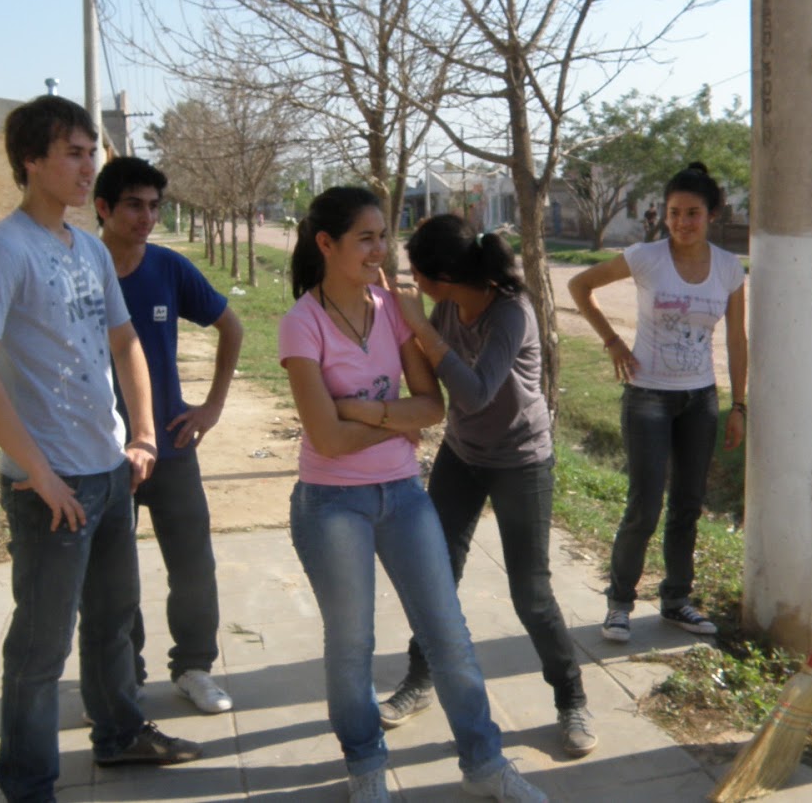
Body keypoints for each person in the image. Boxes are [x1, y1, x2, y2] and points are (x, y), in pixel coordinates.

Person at [0, 97, 201, 803]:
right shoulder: (5, 249)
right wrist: (40, 473)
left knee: (115, 620)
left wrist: (145, 433)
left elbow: (125, 344)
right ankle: (29, 784)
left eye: (91, 152)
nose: (87, 164)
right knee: (40, 647)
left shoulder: (87, 248)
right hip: (50, 487)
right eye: (73, 152)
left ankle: (121, 735)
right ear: (31, 161)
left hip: (108, 471)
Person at [278, 188, 546, 803]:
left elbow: (433, 407)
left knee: (447, 633)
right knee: (352, 645)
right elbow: (326, 438)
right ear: (327, 245)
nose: (381, 250)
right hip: (332, 503)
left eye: (385, 236)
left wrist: (363, 409)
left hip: (402, 493)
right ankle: (366, 766)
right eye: (366, 238)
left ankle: (484, 763)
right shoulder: (302, 323)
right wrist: (387, 417)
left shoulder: (393, 309)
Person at [375, 214, 597, 758]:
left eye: (417, 274)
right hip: (463, 453)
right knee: (436, 572)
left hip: (521, 460)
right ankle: (420, 679)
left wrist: (420, 326)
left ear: (444, 276)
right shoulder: (449, 304)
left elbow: (474, 394)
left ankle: (571, 699)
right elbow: (437, 382)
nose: (414, 283)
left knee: (531, 592)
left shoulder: (511, 313)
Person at [566, 161, 748, 645]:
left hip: (700, 401)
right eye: (673, 213)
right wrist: (611, 341)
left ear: (712, 214)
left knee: (687, 505)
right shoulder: (646, 257)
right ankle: (620, 604)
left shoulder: (730, 269)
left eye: (692, 213)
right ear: (662, 215)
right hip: (647, 398)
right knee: (644, 505)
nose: (682, 223)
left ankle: (676, 600)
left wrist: (739, 406)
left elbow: (737, 341)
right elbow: (579, 286)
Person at [94, 156, 243, 714]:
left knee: (192, 564)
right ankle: (121, 676)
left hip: (172, 445)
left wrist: (212, 406)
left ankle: (195, 668)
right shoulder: (80, 267)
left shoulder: (169, 268)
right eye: (134, 204)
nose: (147, 217)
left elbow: (232, 325)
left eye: (155, 206)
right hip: (100, 449)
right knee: (113, 576)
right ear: (103, 208)